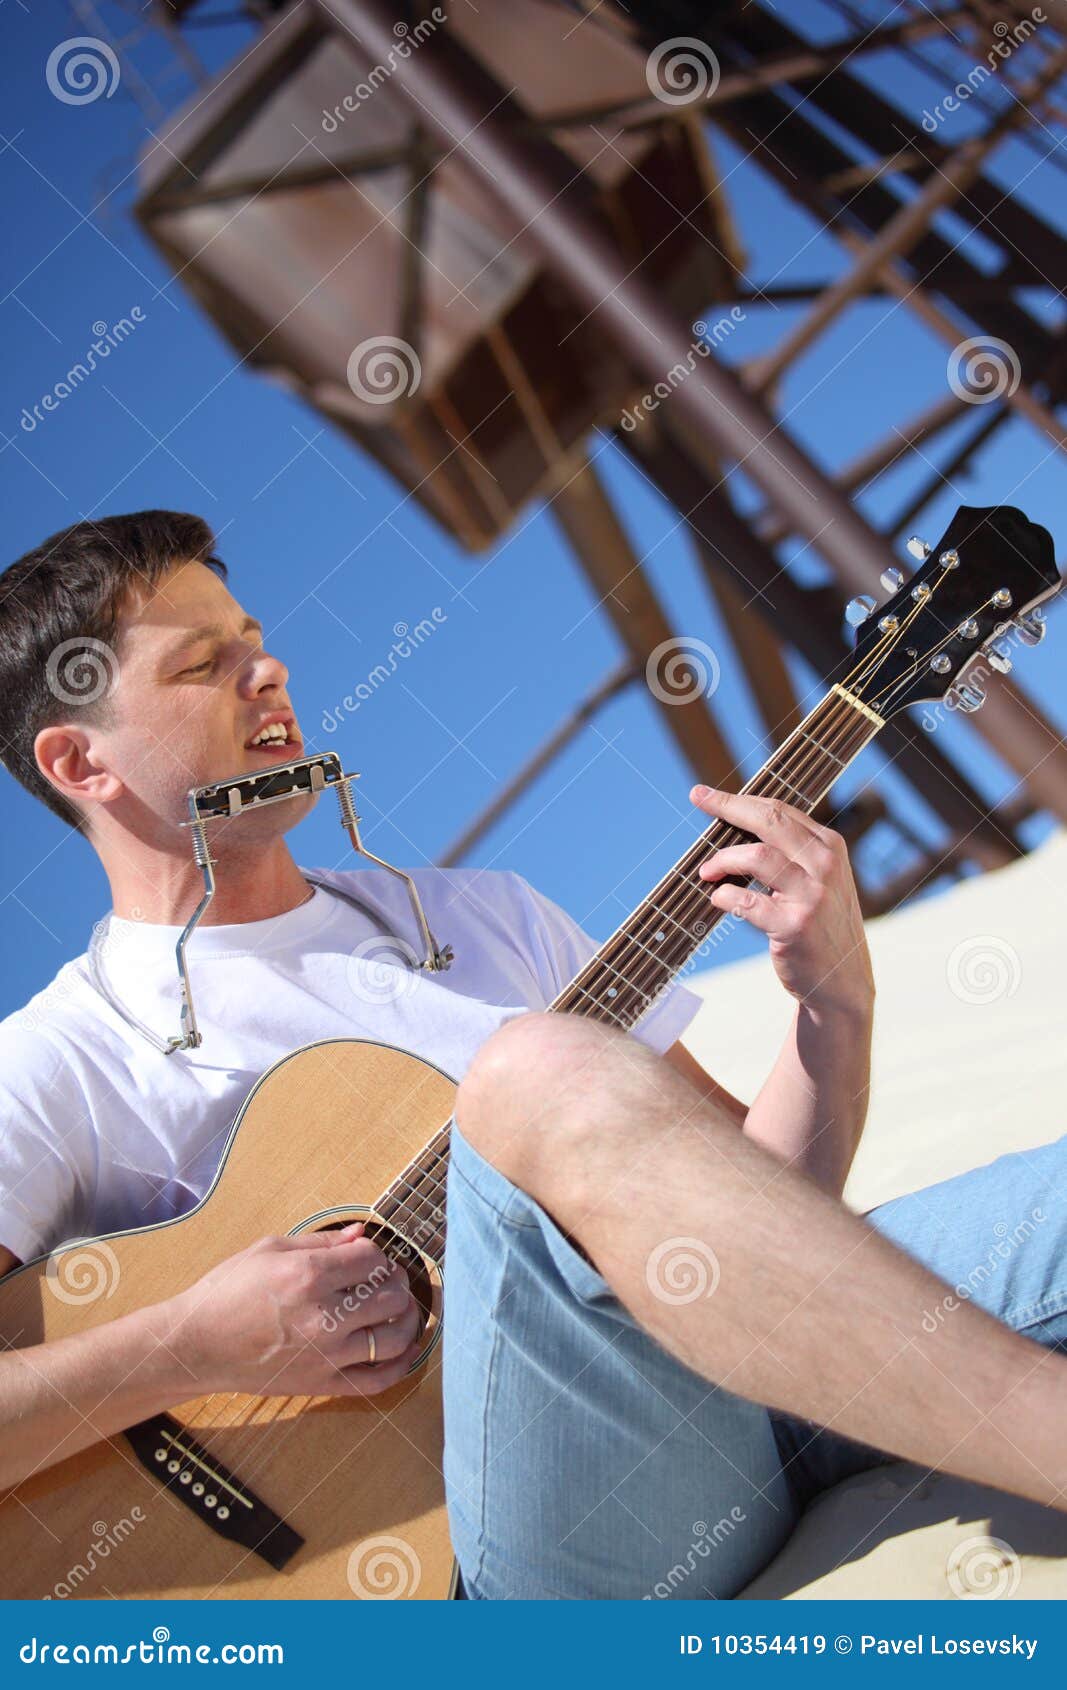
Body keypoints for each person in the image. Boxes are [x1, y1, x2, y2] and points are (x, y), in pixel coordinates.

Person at [0, 511, 1064, 1602]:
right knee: (526, 1072)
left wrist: (833, 1004)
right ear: (80, 759)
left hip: (742, 1393)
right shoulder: (58, 1061)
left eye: (255, 641)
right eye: (203, 665)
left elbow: (774, 1216)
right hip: (500, 1540)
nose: (266, 671)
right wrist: (192, 1343)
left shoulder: (487, 915)